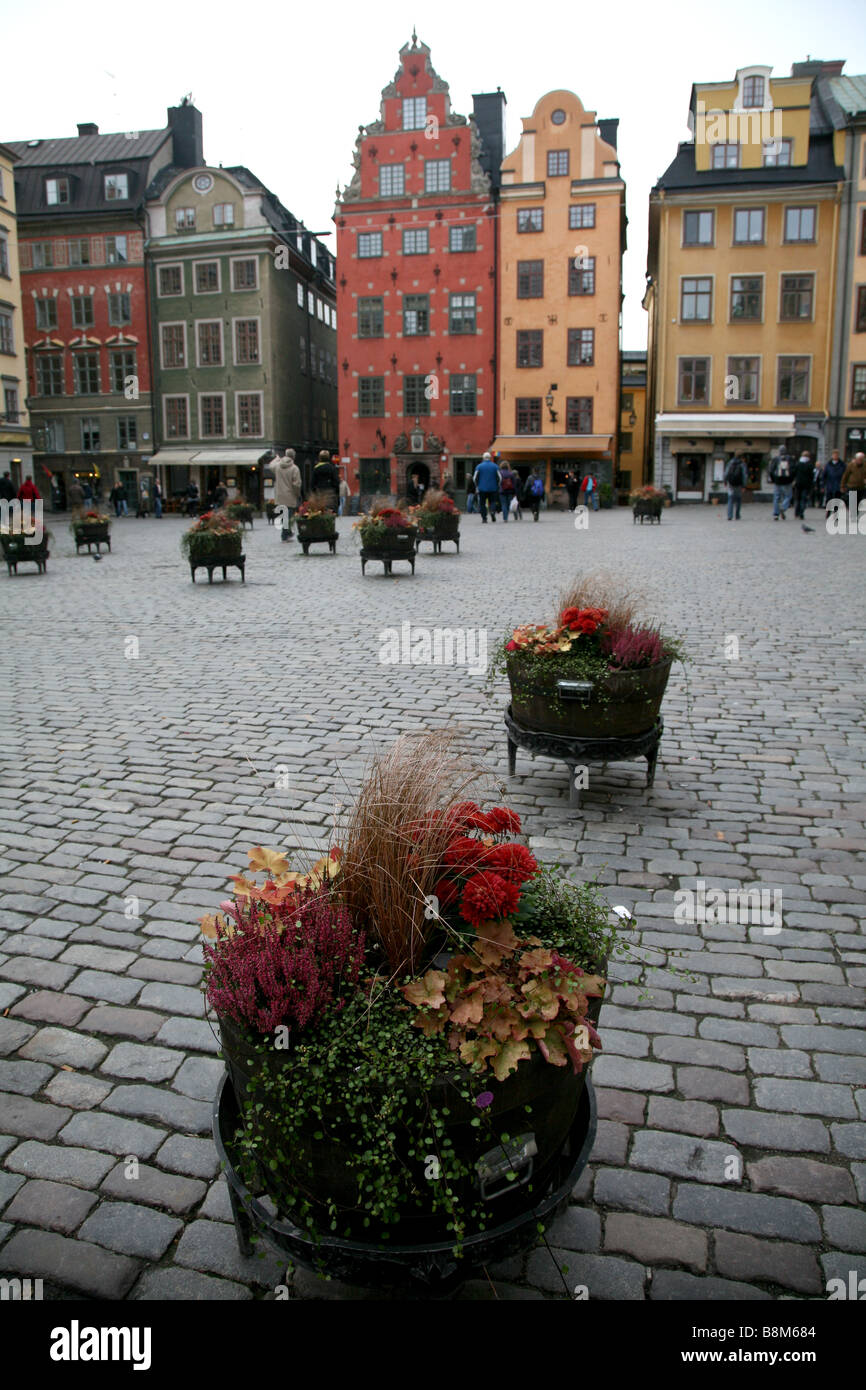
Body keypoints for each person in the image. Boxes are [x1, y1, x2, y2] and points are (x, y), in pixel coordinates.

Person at [270, 448, 302, 540]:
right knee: (289, 516)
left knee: (284, 515)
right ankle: (285, 534)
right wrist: (297, 494)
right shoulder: (295, 468)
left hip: (280, 495)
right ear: (293, 457)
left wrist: (277, 459)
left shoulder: (278, 466)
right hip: (290, 495)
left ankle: (287, 532)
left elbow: (271, 465)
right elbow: (297, 484)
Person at [473, 452, 501, 523]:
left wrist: (477, 486)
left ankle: (484, 518)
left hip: (482, 488)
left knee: (482, 504)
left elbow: (474, 478)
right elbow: (500, 477)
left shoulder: (479, 466)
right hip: (493, 488)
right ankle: (492, 511)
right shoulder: (495, 466)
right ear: (490, 457)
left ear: (483, 458)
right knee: (493, 502)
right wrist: (497, 485)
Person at [769, 450, 793, 520]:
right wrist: (791, 479)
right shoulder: (790, 459)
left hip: (777, 481)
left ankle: (776, 514)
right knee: (788, 496)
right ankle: (783, 507)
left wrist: (773, 479)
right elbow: (793, 469)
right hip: (787, 481)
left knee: (776, 497)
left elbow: (771, 470)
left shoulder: (776, 459)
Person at [724, 451, 747, 521]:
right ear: (741, 457)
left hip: (731, 484)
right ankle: (737, 515)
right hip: (739, 484)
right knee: (738, 500)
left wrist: (725, 481)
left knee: (730, 499)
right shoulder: (742, 464)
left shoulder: (730, 463)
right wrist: (744, 485)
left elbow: (726, 472)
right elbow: (744, 475)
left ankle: (729, 515)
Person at [823, 449, 845, 518]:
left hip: (838, 485)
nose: (835, 456)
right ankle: (828, 513)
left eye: (836, 455)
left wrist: (843, 485)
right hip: (830, 485)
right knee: (829, 499)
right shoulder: (828, 465)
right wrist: (823, 485)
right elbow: (824, 475)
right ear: (832, 455)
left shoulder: (842, 465)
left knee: (837, 500)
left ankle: (836, 514)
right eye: (834, 455)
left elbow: (844, 475)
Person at [793, 450, 813, 519]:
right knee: (803, 499)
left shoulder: (798, 464)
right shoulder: (810, 465)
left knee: (797, 499)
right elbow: (811, 476)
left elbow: (794, 473)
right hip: (806, 485)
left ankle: (796, 513)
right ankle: (801, 513)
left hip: (798, 484)